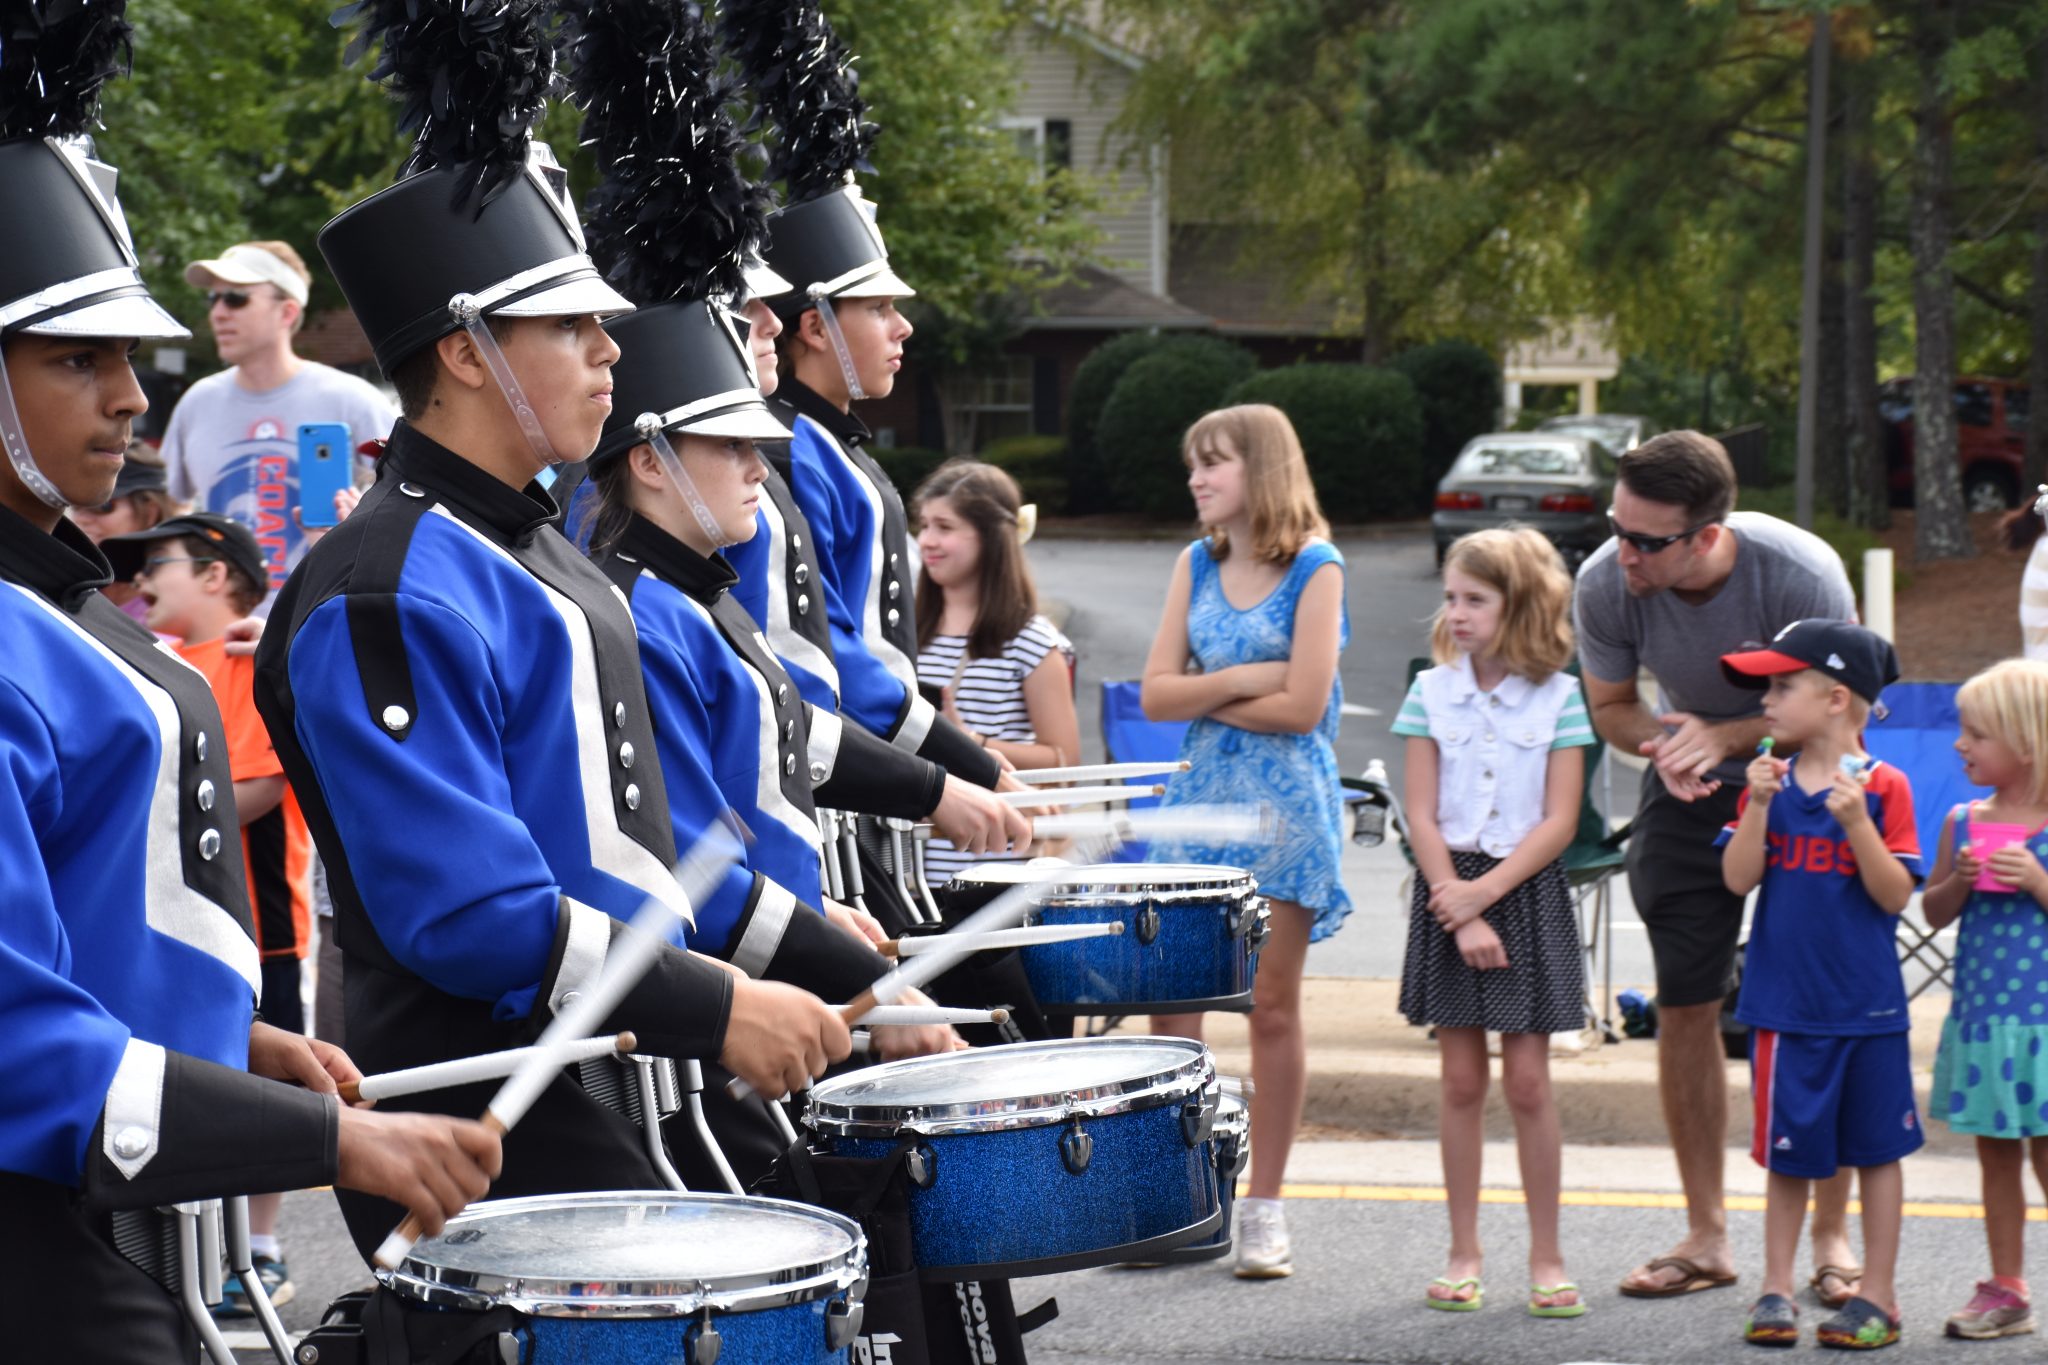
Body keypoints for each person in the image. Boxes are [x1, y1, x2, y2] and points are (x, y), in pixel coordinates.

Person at [254, 0, 850, 1266]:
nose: (606, 356)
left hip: (607, 1060)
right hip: (478, 1105)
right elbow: (469, 914)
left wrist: (793, 960)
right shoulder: (390, 582)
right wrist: (720, 1001)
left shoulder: (533, 551)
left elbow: (628, 842)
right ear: (465, 351)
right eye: (572, 329)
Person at [0, 19, 497, 1354]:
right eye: (73, 360)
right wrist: (332, 1133)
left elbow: (88, 928)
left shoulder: (56, 601)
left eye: (125, 361)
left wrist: (229, 1035)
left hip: (114, 1219)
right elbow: (13, 1042)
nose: (126, 399)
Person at [1573, 431, 1863, 1301]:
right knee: (1685, 1004)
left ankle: (1832, 1233)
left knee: (1822, 1009)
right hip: (1689, 786)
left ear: (1707, 534)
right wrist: (1667, 746)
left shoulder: (1799, 574)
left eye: (1645, 540)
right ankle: (1706, 1234)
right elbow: (1613, 707)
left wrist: (1731, 734)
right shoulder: (1604, 580)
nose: (1622, 551)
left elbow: (1845, 713)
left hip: (1808, 783)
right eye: (1617, 526)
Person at [1138, 403, 1351, 1278]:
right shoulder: (1197, 561)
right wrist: (1239, 679)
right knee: (1173, 1010)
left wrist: (1203, 690)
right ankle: (1177, 1199)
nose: (1197, 478)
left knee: (1270, 1007)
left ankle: (1264, 1204)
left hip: (1285, 813)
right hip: (1201, 802)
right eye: (1194, 464)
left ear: (1261, 469)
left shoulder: (1316, 565)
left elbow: (1306, 707)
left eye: (1214, 462)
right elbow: (1154, 694)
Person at [103, 512, 316, 1311]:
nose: (142, 582)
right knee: (194, 1078)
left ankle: (259, 1247)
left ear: (217, 576)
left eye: (159, 565)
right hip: (180, 930)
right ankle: (201, 1240)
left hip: (265, 929)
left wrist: (159, 815)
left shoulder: (242, 662)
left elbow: (260, 785)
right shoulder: (152, 663)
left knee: (272, 1085)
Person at [1393, 527, 1595, 1319]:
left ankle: (1547, 1257)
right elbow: (1420, 810)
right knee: (1462, 1078)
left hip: (1524, 889)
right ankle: (1463, 1252)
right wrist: (1454, 896)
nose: (1458, 611)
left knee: (1530, 1081)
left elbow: (1560, 820)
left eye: (1475, 598)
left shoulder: (1561, 696)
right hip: (1449, 887)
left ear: (1521, 605)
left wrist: (1488, 896)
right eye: (1452, 597)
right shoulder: (1431, 691)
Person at [1717, 621, 1921, 1350]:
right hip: (1784, 1004)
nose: (1766, 701)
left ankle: (1880, 1295)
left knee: (1877, 1152)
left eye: (1780, 686)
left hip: (1867, 1007)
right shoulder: (1768, 777)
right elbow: (1738, 878)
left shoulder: (1884, 785)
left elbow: (1895, 894)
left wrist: (1857, 824)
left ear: (1836, 698)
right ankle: (1774, 1287)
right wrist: (1761, 806)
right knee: (1787, 1154)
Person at [1919, 658, 2048, 1340]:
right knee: (1996, 1157)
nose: (1959, 744)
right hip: (1985, 1023)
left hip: (2046, 1028)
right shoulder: (1963, 820)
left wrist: (2035, 877)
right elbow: (1934, 912)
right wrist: (1961, 880)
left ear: (2026, 742)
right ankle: (2007, 1287)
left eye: (1975, 733)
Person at [160, 239, 395, 607]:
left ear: (286, 312)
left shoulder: (353, 400)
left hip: (319, 620)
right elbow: (170, 507)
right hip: (224, 632)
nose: (218, 312)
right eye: (214, 299)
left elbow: (408, 512)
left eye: (236, 298)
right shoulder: (196, 402)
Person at [913, 459, 1079, 886]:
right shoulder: (902, 632)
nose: (926, 541)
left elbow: (1065, 762)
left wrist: (971, 743)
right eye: (924, 525)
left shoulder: (1032, 641)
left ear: (991, 538)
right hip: (907, 868)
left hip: (995, 871)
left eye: (944, 527)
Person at [68, 441, 182, 621]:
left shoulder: (180, 596)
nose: (82, 518)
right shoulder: (65, 584)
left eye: (103, 506)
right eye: (76, 507)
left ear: (150, 513)